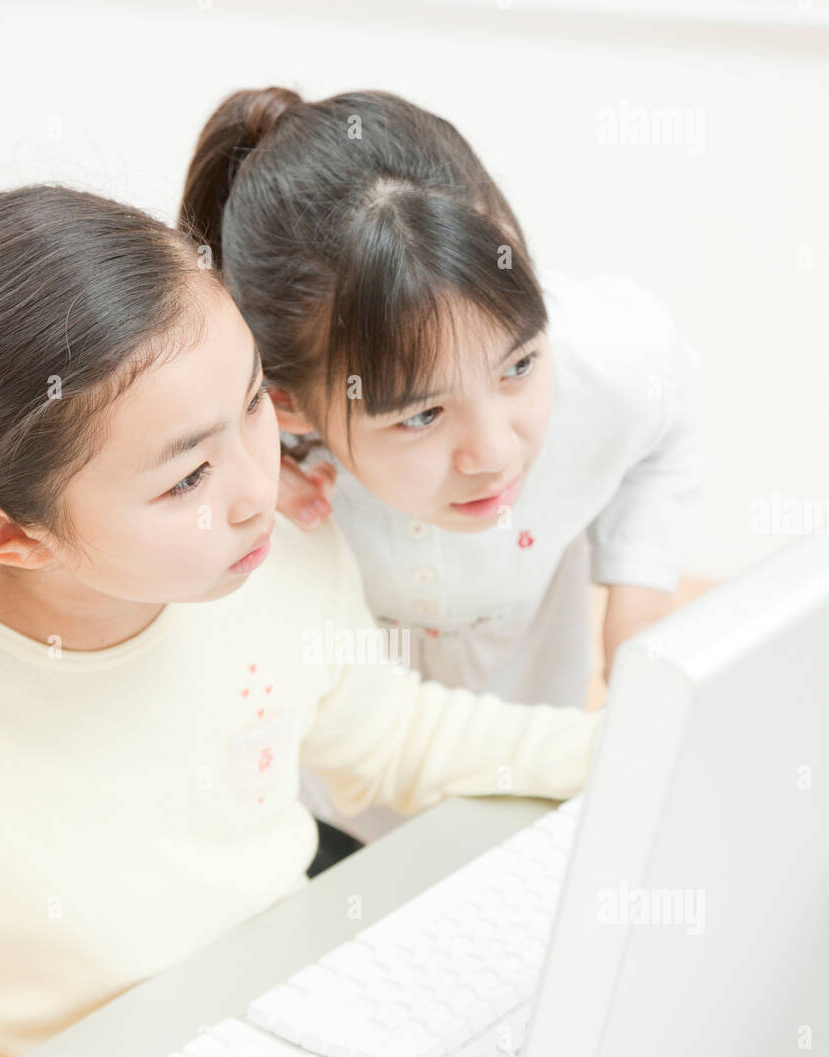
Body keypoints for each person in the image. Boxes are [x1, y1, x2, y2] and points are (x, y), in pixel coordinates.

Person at [0, 185, 601, 1057]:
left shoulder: (275, 568)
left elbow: (393, 737)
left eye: (256, 409)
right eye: (187, 477)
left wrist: (622, 753)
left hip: (285, 1053)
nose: (261, 489)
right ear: (4, 536)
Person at [179, 86, 704, 843]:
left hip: (537, 775)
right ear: (289, 405)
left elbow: (668, 429)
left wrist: (637, 602)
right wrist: (233, 479)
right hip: (328, 815)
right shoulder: (256, 478)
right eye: (419, 415)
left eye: (518, 365)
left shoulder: (610, 366)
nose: (493, 453)